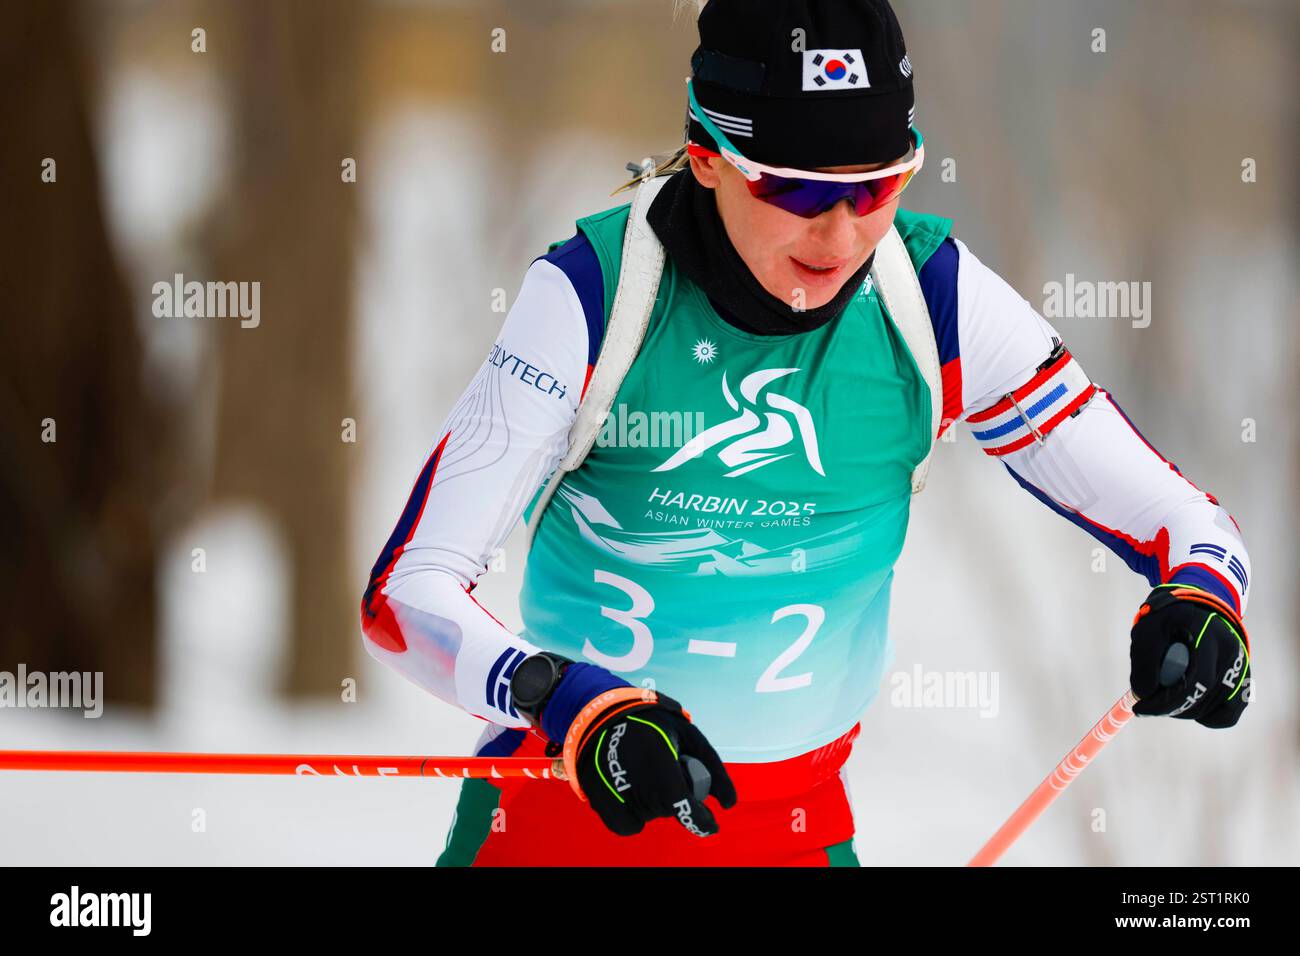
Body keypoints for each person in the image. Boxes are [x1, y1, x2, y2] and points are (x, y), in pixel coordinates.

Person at [360, 0, 1253, 867]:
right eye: (794, 188)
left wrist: (1207, 596)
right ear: (706, 156)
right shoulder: (594, 297)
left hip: (793, 827)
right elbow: (406, 592)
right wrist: (568, 701)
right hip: (569, 813)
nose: (841, 231)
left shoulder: (932, 300)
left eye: (878, 187)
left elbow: (1182, 517)